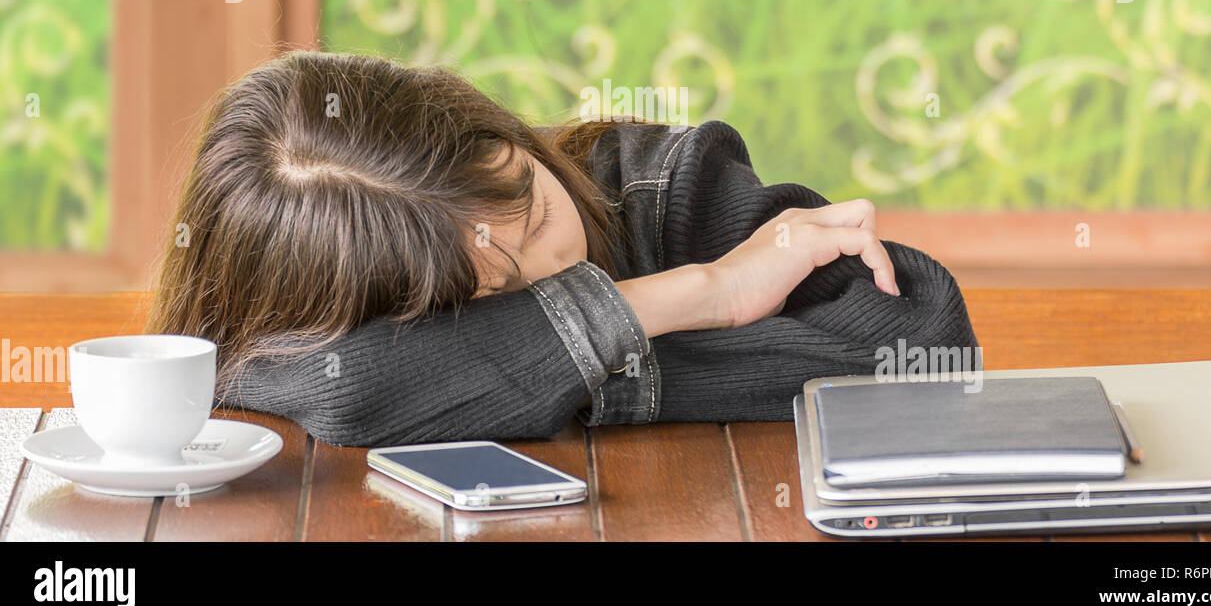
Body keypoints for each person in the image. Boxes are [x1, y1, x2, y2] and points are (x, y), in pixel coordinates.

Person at [146, 50, 979, 446]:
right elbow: (267, 367)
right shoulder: (293, 335)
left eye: (537, 216)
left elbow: (926, 347)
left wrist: (546, 374)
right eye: (496, 298)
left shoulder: (663, 186)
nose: (555, 267)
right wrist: (699, 299)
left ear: (495, 128)